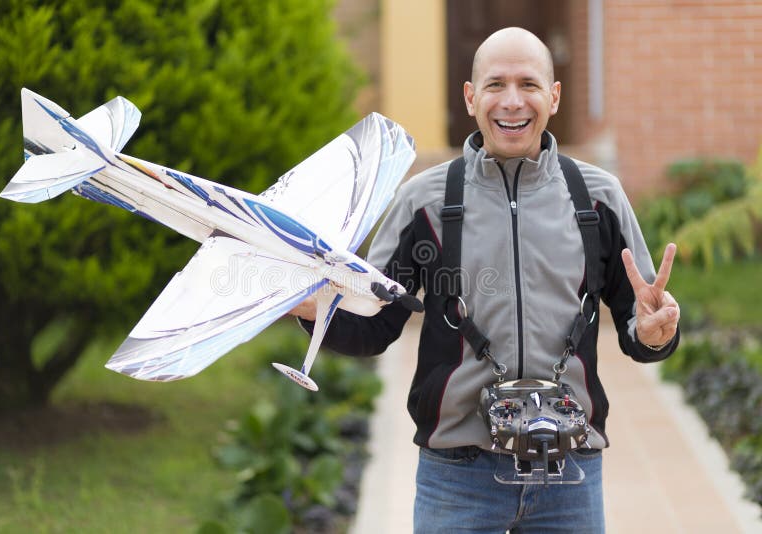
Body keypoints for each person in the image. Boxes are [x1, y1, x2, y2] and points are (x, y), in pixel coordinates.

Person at [291, 27, 680, 533]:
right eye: (495, 85)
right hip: (456, 476)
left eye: (529, 84)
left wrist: (657, 333)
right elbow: (374, 326)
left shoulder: (598, 198)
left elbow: (641, 323)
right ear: (471, 97)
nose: (512, 101)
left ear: (554, 96)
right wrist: (307, 307)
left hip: (572, 472)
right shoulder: (424, 201)